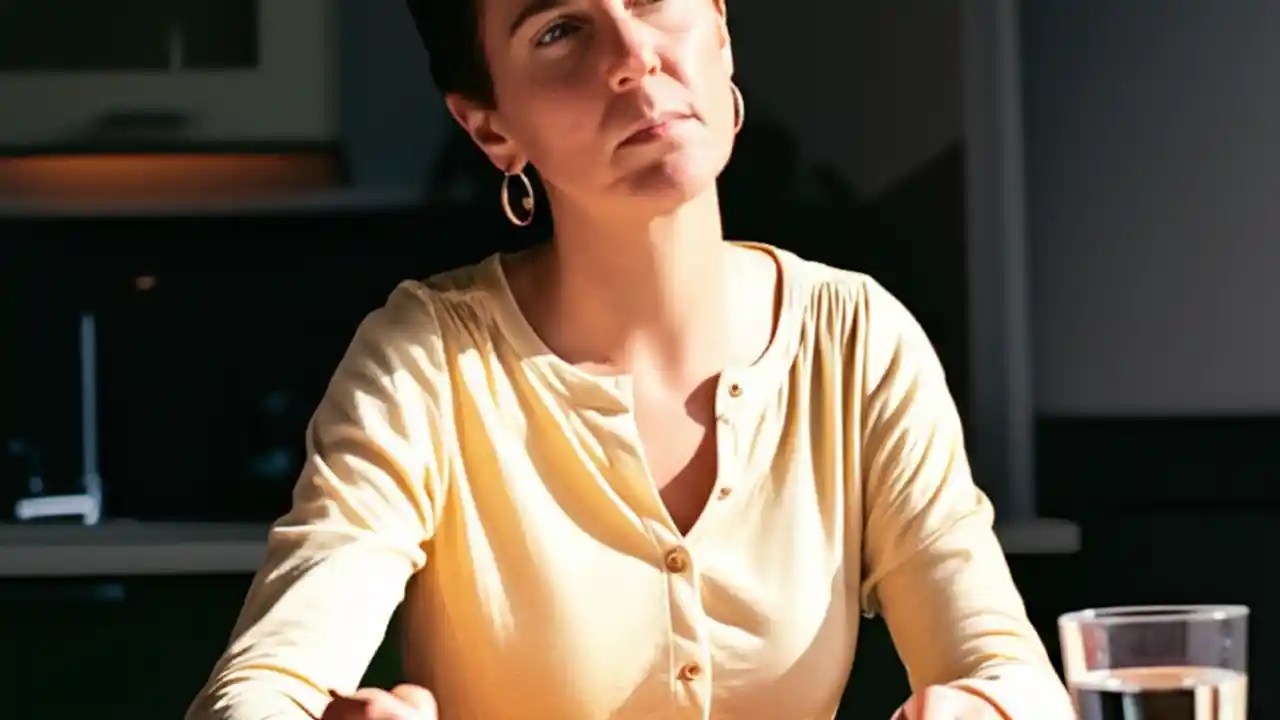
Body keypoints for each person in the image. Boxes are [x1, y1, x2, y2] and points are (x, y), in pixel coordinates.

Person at [186, 0, 1074, 718]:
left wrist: (985, 709)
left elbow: (1007, 667)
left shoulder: (856, 339)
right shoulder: (429, 360)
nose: (632, 54)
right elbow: (264, 684)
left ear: (719, 28)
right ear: (492, 126)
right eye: (560, 30)